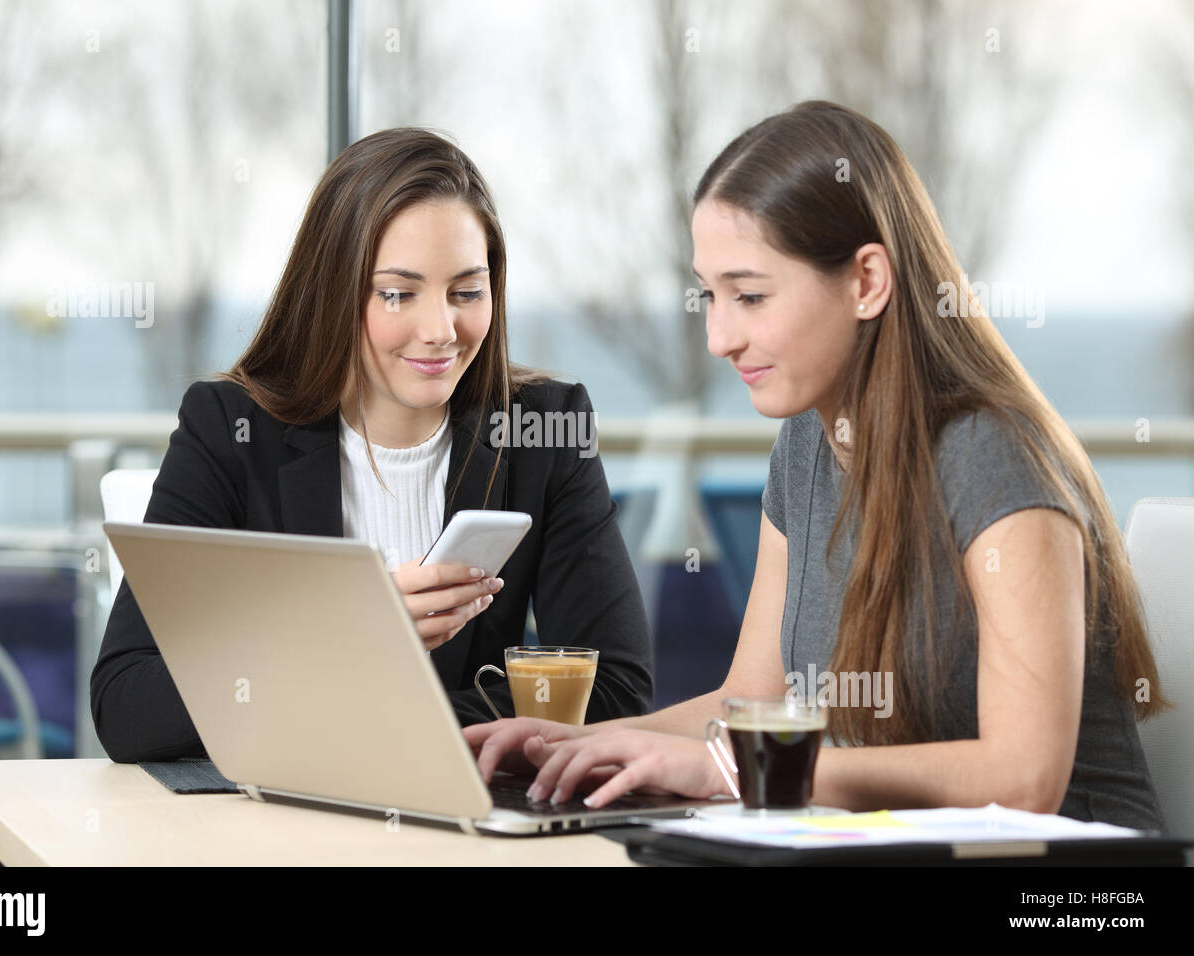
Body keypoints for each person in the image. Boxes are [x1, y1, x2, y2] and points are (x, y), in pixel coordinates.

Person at [465, 101, 1170, 831]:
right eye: (710, 295)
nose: (719, 337)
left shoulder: (993, 456)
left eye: (750, 295)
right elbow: (750, 703)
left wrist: (738, 771)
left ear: (867, 281)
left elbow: (1024, 779)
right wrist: (571, 745)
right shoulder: (805, 445)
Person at [90, 128, 654, 763]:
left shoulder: (542, 431)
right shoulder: (228, 430)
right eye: (397, 293)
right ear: (333, 292)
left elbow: (614, 691)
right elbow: (129, 707)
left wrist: (344, 718)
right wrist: (346, 635)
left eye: (467, 292)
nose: (441, 330)